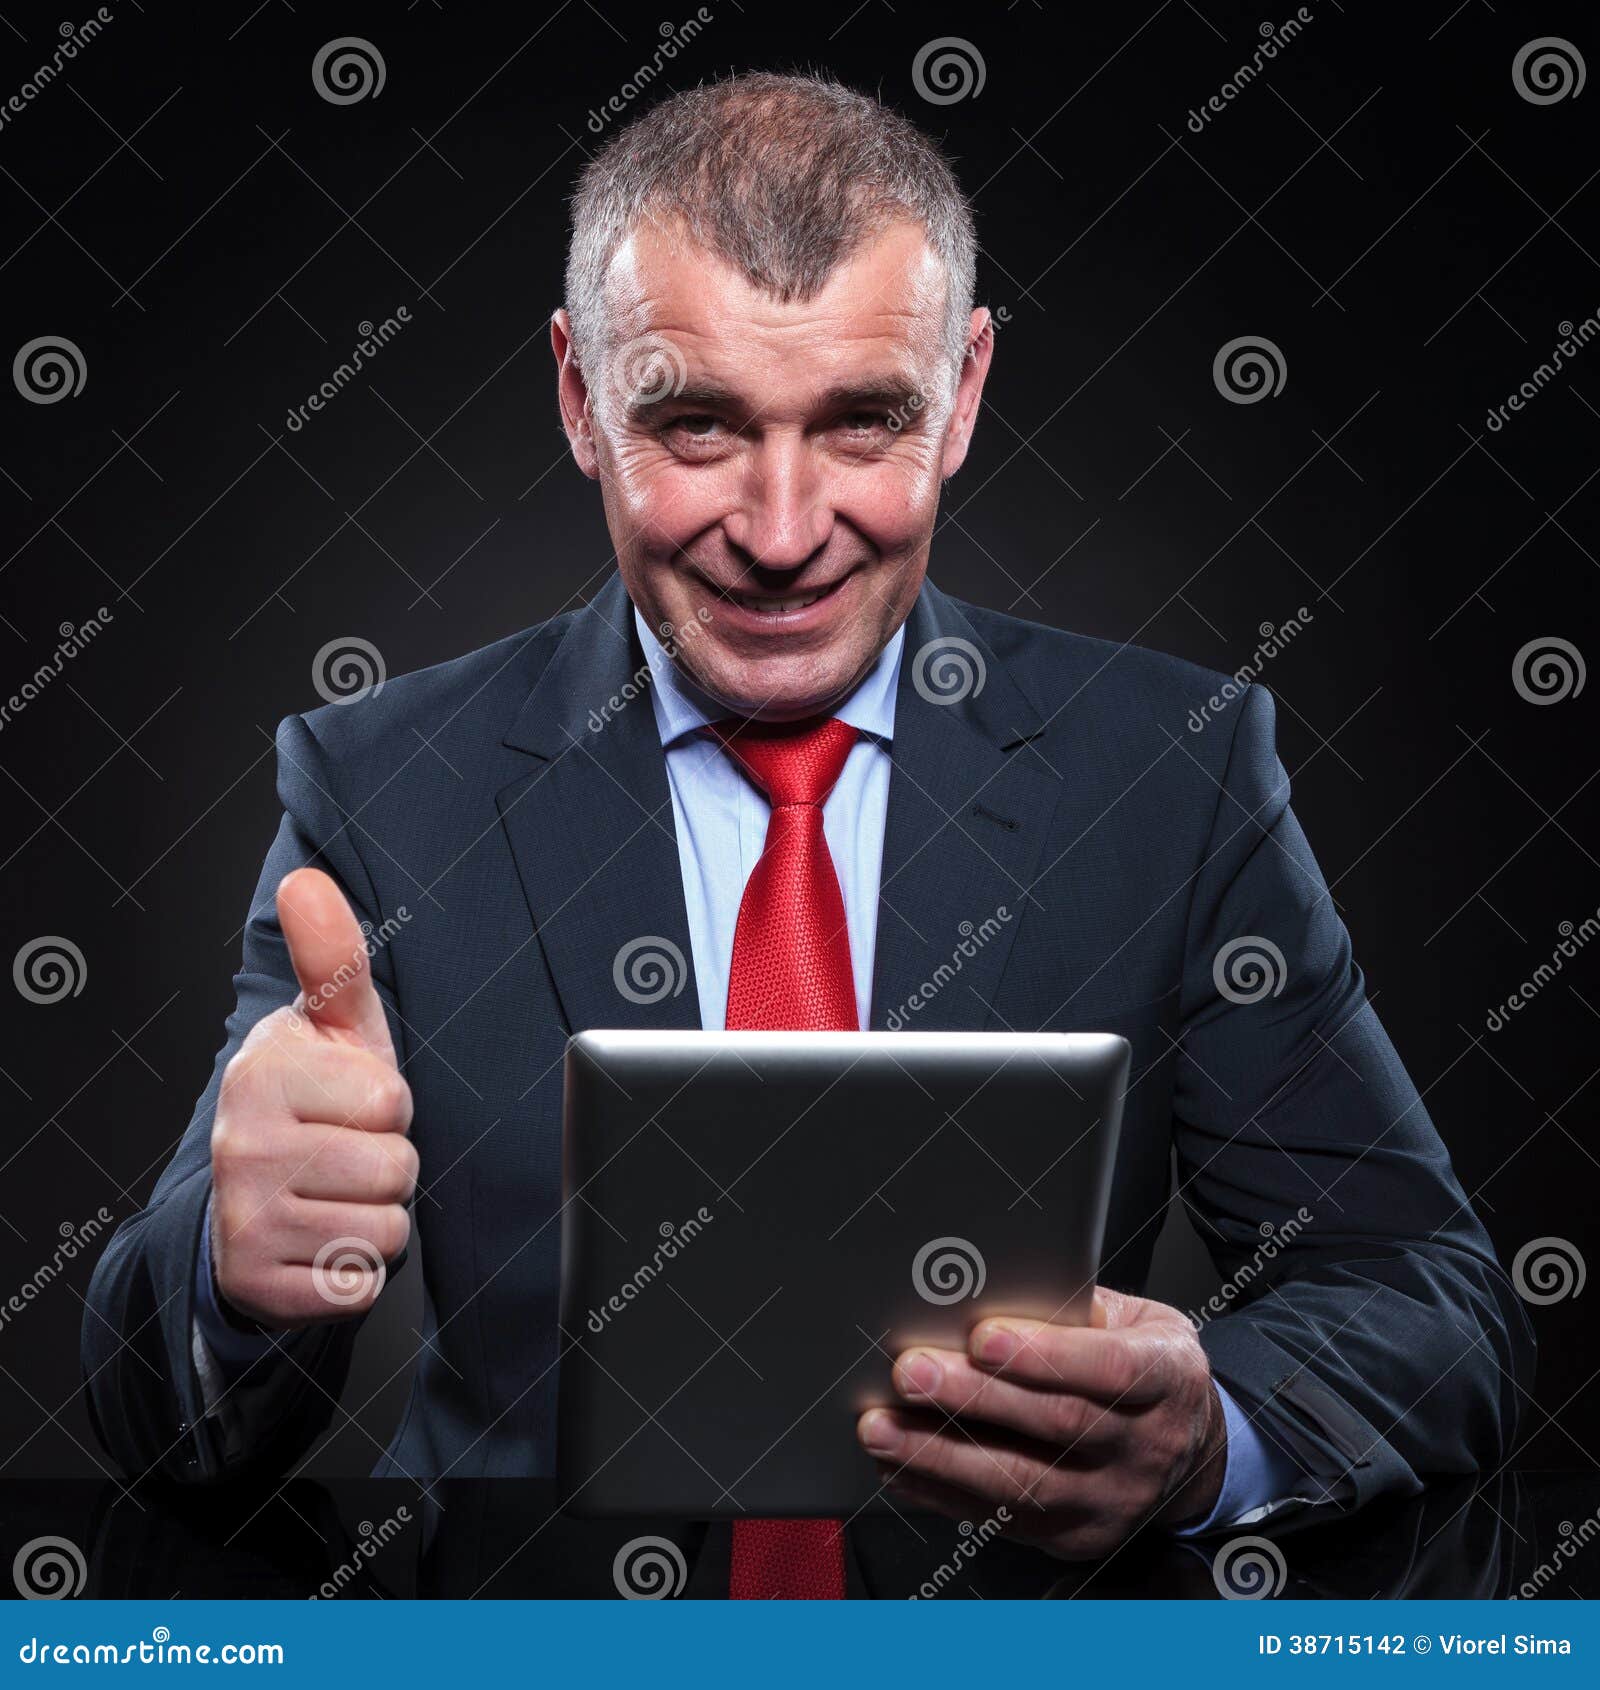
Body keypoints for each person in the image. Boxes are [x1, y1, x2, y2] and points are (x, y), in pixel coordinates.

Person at [84, 72, 1532, 1598]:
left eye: (863, 422)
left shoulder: (1172, 776)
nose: (781, 532)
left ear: (964, 393)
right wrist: (233, 1281)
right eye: (696, 423)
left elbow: (1429, 1300)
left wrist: (1208, 1434)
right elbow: (162, 1425)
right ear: (582, 400)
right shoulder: (383, 789)